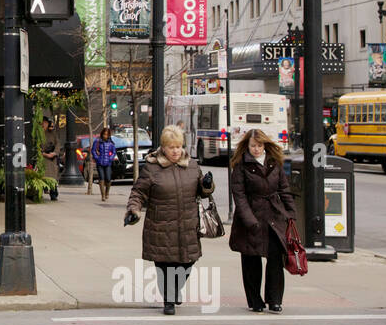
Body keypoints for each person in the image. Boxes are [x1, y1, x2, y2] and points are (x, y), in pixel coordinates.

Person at [125, 125, 215, 314]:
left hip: (187, 224)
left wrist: (207, 185)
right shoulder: (152, 168)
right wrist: (134, 209)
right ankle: (169, 300)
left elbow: (202, 191)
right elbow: (138, 193)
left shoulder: (192, 165)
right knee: (165, 266)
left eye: (179, 146)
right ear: (163, 148)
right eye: (171, 147)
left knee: (188, 261)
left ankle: (175, 291)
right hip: (161, 225)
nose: (176, 151)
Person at [229, 128, 295, 314]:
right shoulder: (241, 165)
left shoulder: (274, 162)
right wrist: (249, 219)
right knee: (251, 260)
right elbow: (239, 195)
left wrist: (290, 213)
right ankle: (255, 300)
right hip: (250, 218)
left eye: (259, 145)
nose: (256, 149)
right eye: (252, 146)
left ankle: (274, 300)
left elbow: (284, 189)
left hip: (274, 217)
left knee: (275, 259)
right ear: (247, 146)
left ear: (265, 145)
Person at [90, 127, 117, 202]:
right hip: (100, 163)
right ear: (102, 134)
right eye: (104, 134)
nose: (105, 136)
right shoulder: (97, 141)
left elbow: (114, 152)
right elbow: (93, 151)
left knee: (108, 178)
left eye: (107, 134)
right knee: (101, 178)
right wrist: (97, 158)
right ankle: (103, 196)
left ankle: (107, 192)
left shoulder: (111, 143)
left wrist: (110, 158)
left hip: (108, 163)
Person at [40, 117, 61, 201]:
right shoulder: (38, 133)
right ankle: (39, 192)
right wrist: (43, 154)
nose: (43, 124)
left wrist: (54, 153)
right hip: (42, 158)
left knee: (52, 176)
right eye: (42, 122)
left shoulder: (52, 133)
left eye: (45, 122)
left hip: (51, 159)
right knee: (42, 176)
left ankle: (53, 193)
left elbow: (58, 144)